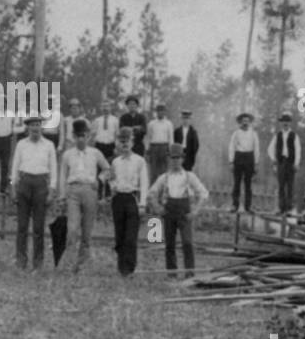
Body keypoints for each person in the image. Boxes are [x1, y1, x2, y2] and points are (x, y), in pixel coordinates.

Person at [148, 143, 209, 277]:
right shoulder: (164, 177)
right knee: (169, 244)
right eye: (173, 157)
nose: (175, 161)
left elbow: (204, 193)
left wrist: (195, 212)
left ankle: (190, 274)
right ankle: (172, 274)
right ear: (169, 159)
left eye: (178, 157)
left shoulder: (189, 176)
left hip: (184, 213)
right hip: (169, 212)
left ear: (182, 159)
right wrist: (158, 208)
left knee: (187, 243)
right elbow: (151, 193)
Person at [57, 118, 110, 273]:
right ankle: (68, 264)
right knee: (72, 229)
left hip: (90, 192)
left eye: (83, 135)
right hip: (73, 191)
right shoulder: (67, 155)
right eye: (78, 135)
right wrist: (61, 196)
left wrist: (99, 180)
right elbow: (62, 176)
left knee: (87, 231)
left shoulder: (95, 153)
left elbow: (107, 169)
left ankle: (81, 265)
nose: (80, 138)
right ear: (73, 136)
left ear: (88, 136)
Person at [10, 113, 58, 271]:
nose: (35, 128)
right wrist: (13, 187)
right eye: (32, 125)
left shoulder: (49, 145)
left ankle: (38, 263)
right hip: (24, 183)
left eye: (38, 125)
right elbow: (15, 167)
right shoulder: (21, 144)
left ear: (41, 127)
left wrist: (51, 190)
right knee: (22, 226)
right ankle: (21, 261)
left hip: (41, 184)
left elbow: (54, 169)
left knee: (38, 227)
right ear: (27, 127)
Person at [109, 127, 149, 276]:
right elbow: (109, 178)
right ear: (118, 143)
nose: (125, 144)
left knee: (130, 238)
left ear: (133, 142)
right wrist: (113, 187)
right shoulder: (115, 162)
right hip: (118, 199)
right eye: (122, 141)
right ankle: (121, 268)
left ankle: (129, 269)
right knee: (119, 237)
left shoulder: (140, 161)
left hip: (133, 199)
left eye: (127, 141)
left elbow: (144, 183)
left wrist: (143, 204)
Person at [268, 113, 301, 215]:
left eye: (287, 121)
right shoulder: (277, 135)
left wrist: (296, 163)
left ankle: (289, 208)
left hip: (290, 163)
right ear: (281, 123)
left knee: (290, 186)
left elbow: (298, 150)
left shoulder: (294, 135)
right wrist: (273, 159)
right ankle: (281, 208)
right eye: (283, 122)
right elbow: (269, 149)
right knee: (281, 186)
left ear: (290, 123)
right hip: (281, 162)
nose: (285, 123)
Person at [228, 112, 259, 213]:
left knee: (248, 184)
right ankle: (235, 205)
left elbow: (256, 148)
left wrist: (256, 163)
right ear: (240, 122)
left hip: (249, 158)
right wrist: (231, 161)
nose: (245, 123)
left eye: (247, 121)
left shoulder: (253, 134)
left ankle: (248, 206)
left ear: (250, 122)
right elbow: (231, 147)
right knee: (236, 183)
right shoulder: (236, 133)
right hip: (238, 157)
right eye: (243, 121)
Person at [91, 98, 120, 197]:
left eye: (107, 106)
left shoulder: (115, 120)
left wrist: (116, 147)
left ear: (110, 107)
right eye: (103, 106)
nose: (105, 108)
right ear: (101, 108)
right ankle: (98, 193)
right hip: (99, 146)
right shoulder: (97, 120)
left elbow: (117, 135)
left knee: (108, 169)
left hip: (110, 146)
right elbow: (93, 135)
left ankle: (107, 193)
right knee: (99, 169)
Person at [145, 102, 174, 185]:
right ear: (156, 112)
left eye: (162, 111)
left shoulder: (169, 123)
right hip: (154, 148)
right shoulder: (151, 123)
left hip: (164, 148)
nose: (160, 113)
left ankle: (163, 191)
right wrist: (147, 150)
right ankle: (152, 191)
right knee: (153, 172)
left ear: (165, 112)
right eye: (158, 111)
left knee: (164, 171)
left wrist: (170, 151)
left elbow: (171, 138)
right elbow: (148, 138)